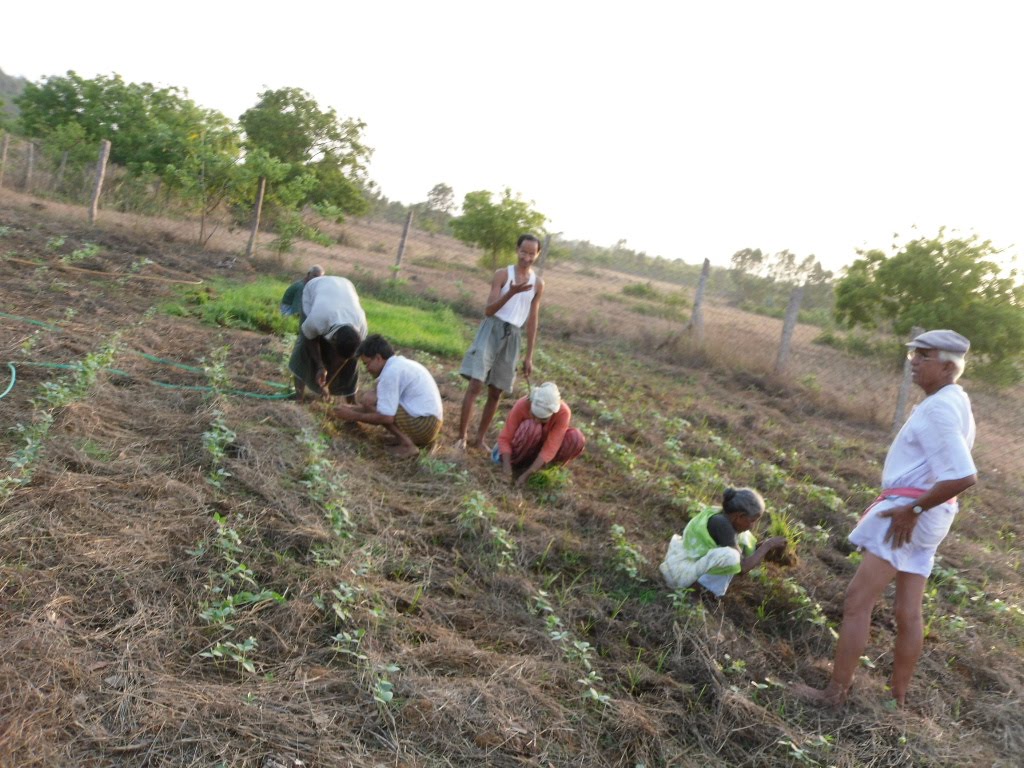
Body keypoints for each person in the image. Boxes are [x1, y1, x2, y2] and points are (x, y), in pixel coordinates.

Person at [793, 329, 977, 708]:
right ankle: (897, 698)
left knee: (857, 601)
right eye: (913, 354)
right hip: (932, 514)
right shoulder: (956, 400)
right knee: (908, 612)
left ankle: (835, 693)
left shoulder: (940, 408)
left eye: (923, 356)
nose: (913, 362)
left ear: (947, 367)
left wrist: (913, 509)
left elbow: (964, 475)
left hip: (907, 514)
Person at [456, 233, 545, 451]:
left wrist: (529, 356)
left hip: (513, 336)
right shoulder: (503, 274)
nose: (526, 257)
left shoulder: (537, 284)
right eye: (523, 252)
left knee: (496, 391)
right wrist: (510, 293)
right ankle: (461, 437)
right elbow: (488, 310)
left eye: (531, 254)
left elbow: (532, 320)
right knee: (476, 384)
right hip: (492, 329)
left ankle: (479, 439)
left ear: (537, 254)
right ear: (517, 250)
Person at [327, 334, 444, 457]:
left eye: (367, 364)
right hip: (429, 424)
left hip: (423, 425)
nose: (367, 369)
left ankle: (407, 445)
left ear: (378, 358)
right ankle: (404, 438)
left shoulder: (390, 372)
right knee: (377, 402)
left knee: (369, 400)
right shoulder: (399, 364)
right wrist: (352, 409)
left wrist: (353, 416)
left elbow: (386, 417)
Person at [659, 487, 787, 598]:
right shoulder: (722, 524)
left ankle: (701, 592)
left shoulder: (724, 518)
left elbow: (745, 555)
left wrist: (763, 548)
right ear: (740, 516)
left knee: (743, 540)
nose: (753, 526)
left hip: (687, 568)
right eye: (752, 521)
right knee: (731, 557)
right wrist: (768, 545)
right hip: (679, 575)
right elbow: (742, 567)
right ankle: (691, 594)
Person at [287, 275, 368, 403]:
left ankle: (351, 402)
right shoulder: (318, 317)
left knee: (352, 362)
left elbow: (344, 360)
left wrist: (326, 384)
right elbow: (309, 338)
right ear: (333, 341)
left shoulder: (361, 328)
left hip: (345, 286)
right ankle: (299, 397)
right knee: (304, 347)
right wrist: (320, 365)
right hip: (315, 288)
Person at [492, 382, 585, 487]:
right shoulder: (522, 404)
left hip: (538, 451)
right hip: (520, 449)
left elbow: (551, 447)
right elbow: (505, 438)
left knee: (576, 438)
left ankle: (542, 468)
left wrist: (528, 474)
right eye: (534, 415)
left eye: (543, 419)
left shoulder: (563, 413)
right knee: (531, 427)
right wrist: (506, 467)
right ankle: (516, 464)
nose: (537, 420)